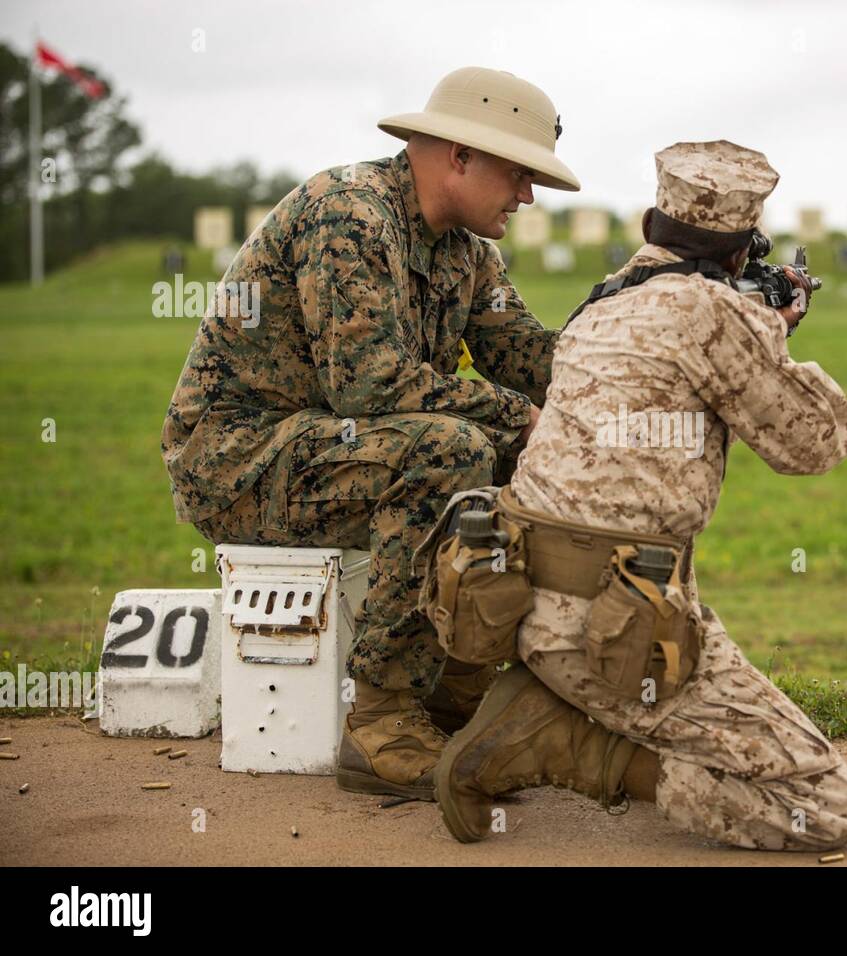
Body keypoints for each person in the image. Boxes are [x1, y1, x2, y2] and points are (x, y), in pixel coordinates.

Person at [433, 140, 847, 851]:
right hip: (610, 629)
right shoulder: (720, 313)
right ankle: (565, 744)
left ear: (647, 227)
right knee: (822, 808)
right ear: (740, 253)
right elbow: (814, 445)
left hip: (521, 601)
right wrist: (775, 338)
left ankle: (553, 703)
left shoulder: (600, 304)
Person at [161, 67, 579, 801]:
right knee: (452, 450)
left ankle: (455, 693)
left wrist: (651, 348)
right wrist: (522, 419)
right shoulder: (350, 213)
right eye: (517, 175)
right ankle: (383, 720)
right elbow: (369, 383)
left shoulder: (466, 251)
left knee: (514, 444)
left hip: (331, 451)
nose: (527, 196)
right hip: (239, 460)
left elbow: (530, 359)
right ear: (459, 155)